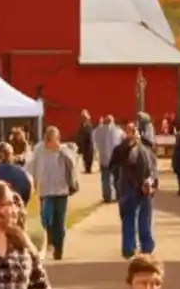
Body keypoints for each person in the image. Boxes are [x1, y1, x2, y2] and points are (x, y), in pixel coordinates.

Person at [26, 127, 80, 260]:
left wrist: (61, 150)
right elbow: (31, 165)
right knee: (46, 219)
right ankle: (50, 240)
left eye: (51, 140)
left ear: (57, 139)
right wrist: (30, 181)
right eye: (47, 140)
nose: (48, 144)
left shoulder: (63, 150)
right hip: (45, 192)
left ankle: (58, 249)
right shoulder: (39, 149)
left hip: (61, 192)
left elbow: (73, 163)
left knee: (59, 222)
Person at [110, 122, 158, 259]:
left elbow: (112, 168)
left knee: (135, 219)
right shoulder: (142, 149)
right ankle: (142, 247)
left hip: (131, 190)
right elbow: (152, 170)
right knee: (139, 218)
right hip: (135, 190)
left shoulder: (121, 150)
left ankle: (131, 248)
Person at [92, 116, 124, 204]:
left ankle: (107, 196)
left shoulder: (98, 131)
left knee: (105, 178)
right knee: (117, 178)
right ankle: (118, 195)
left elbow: (93, 138)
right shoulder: (117, 131)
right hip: (115, 159)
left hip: (104, 158)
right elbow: (123, 140)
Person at [75, 110, 95, 174]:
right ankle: (87, 169)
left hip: (88, 144)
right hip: (84, 144)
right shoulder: (82, 125)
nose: (83, 119)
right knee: (85, 157)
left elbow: (90, 135)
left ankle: (88, 169)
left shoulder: (89, 126)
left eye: (84, 117)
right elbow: (79, 134)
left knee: (88, 157)